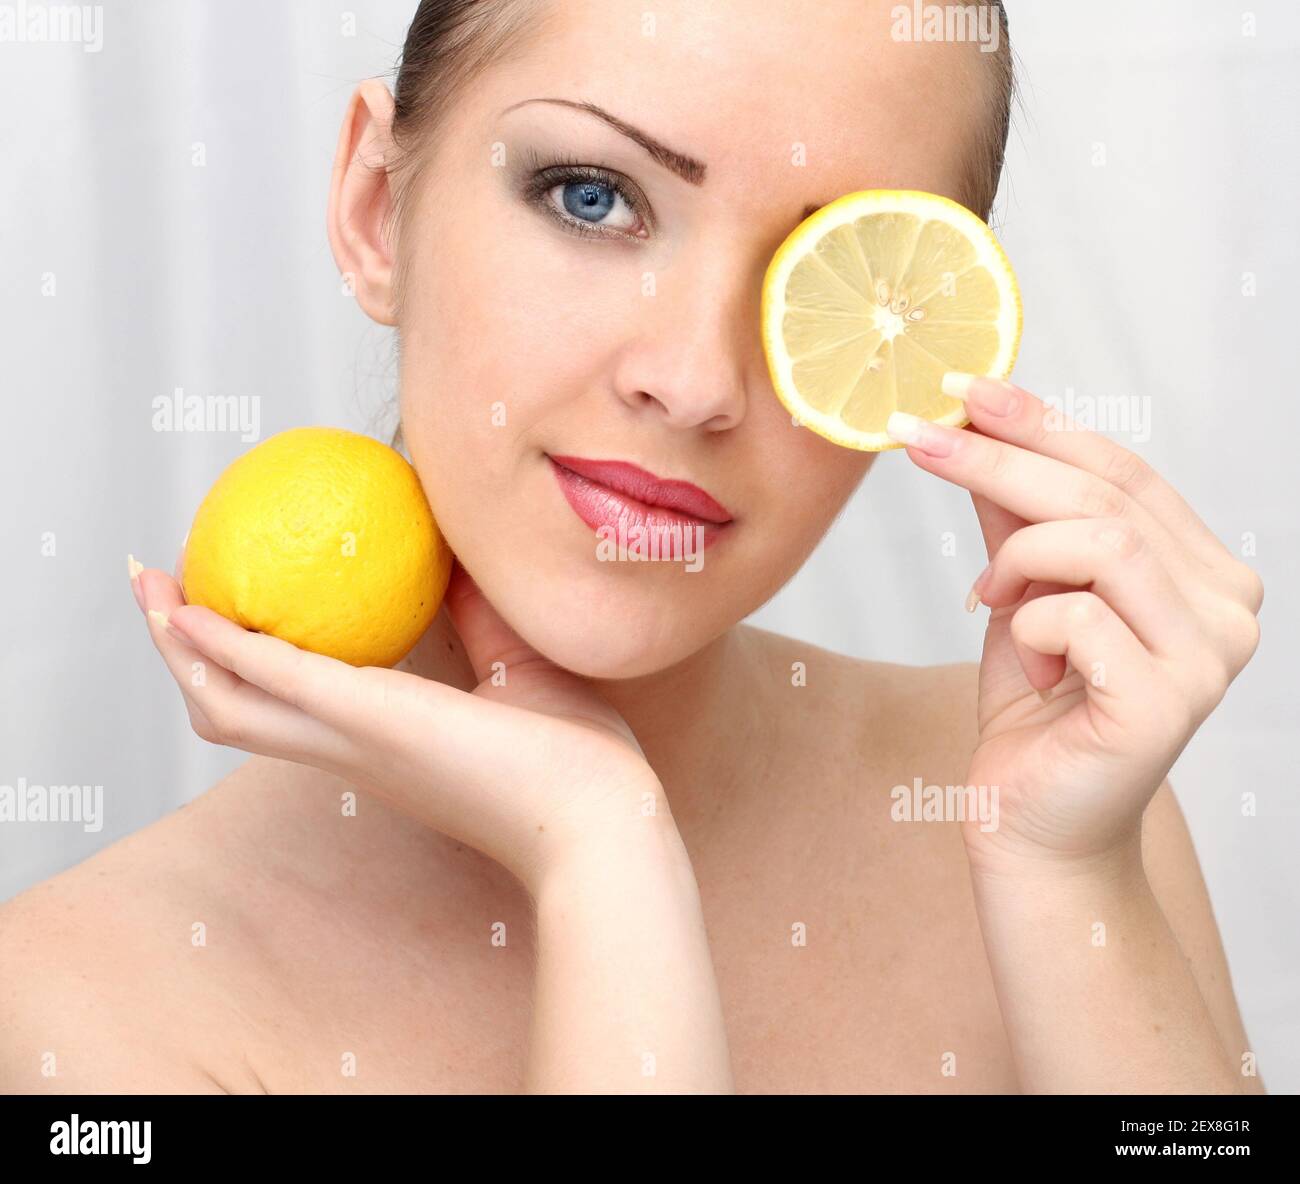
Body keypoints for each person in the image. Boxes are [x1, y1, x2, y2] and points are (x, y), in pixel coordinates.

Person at [1, 0, 1265, 1093]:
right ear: (378, 209)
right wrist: (600, 853)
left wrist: (1066, 878)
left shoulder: (1061, 810)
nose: (695, 379)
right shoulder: (87, 1008)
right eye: (592, 197)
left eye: (814, 273)